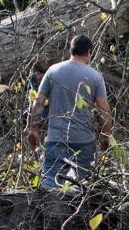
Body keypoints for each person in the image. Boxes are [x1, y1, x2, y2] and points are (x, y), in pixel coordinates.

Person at [25, 35, 112, 188]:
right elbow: (104, 110)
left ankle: (46, 210)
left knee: (50, 181)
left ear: (71, 50)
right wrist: (106, 136)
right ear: (89, 52)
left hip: (56, 138)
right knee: (79, 186)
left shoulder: (53, 71)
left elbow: (38, 102)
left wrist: (33, 129)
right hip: (83, 139)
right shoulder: (95, 76)